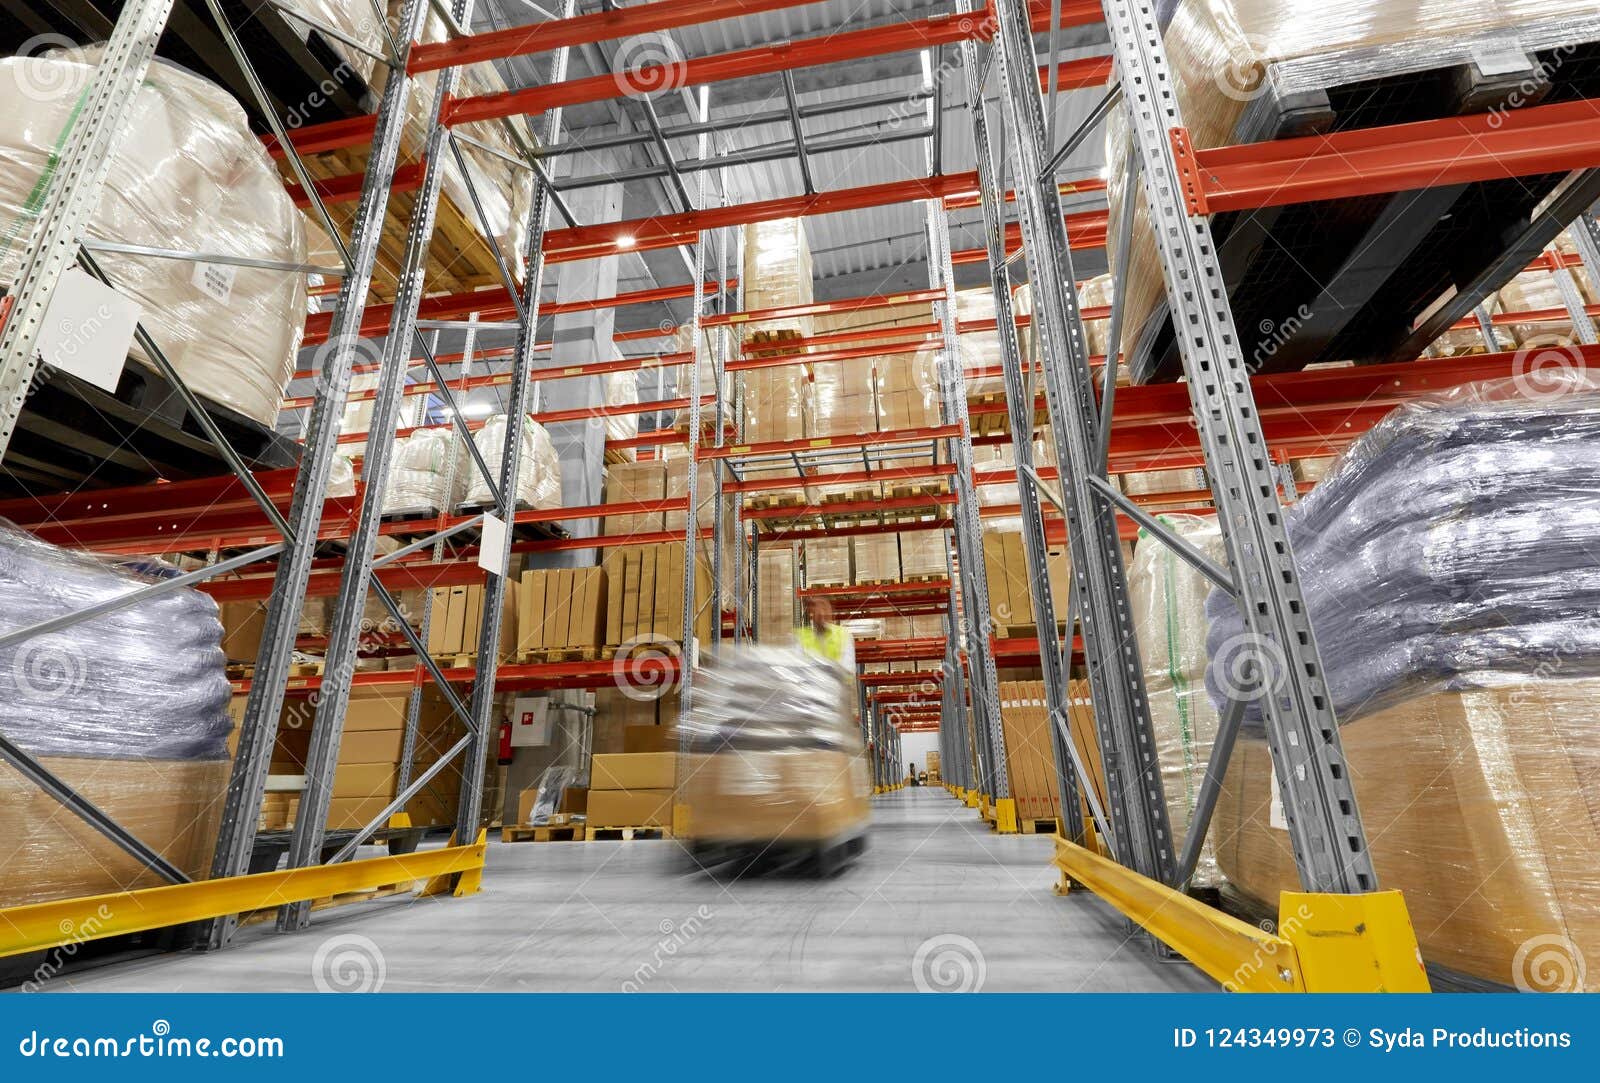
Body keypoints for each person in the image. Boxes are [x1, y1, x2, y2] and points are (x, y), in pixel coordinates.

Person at [796, 595, 855, 672]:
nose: (822, 613)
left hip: (835, 683)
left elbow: (847, 669)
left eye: (824, 608)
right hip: (811, 682)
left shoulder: (844, 635)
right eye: (817, 610)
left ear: (830, 611)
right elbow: (798, 667)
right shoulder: (801, 636)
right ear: (811, 613)